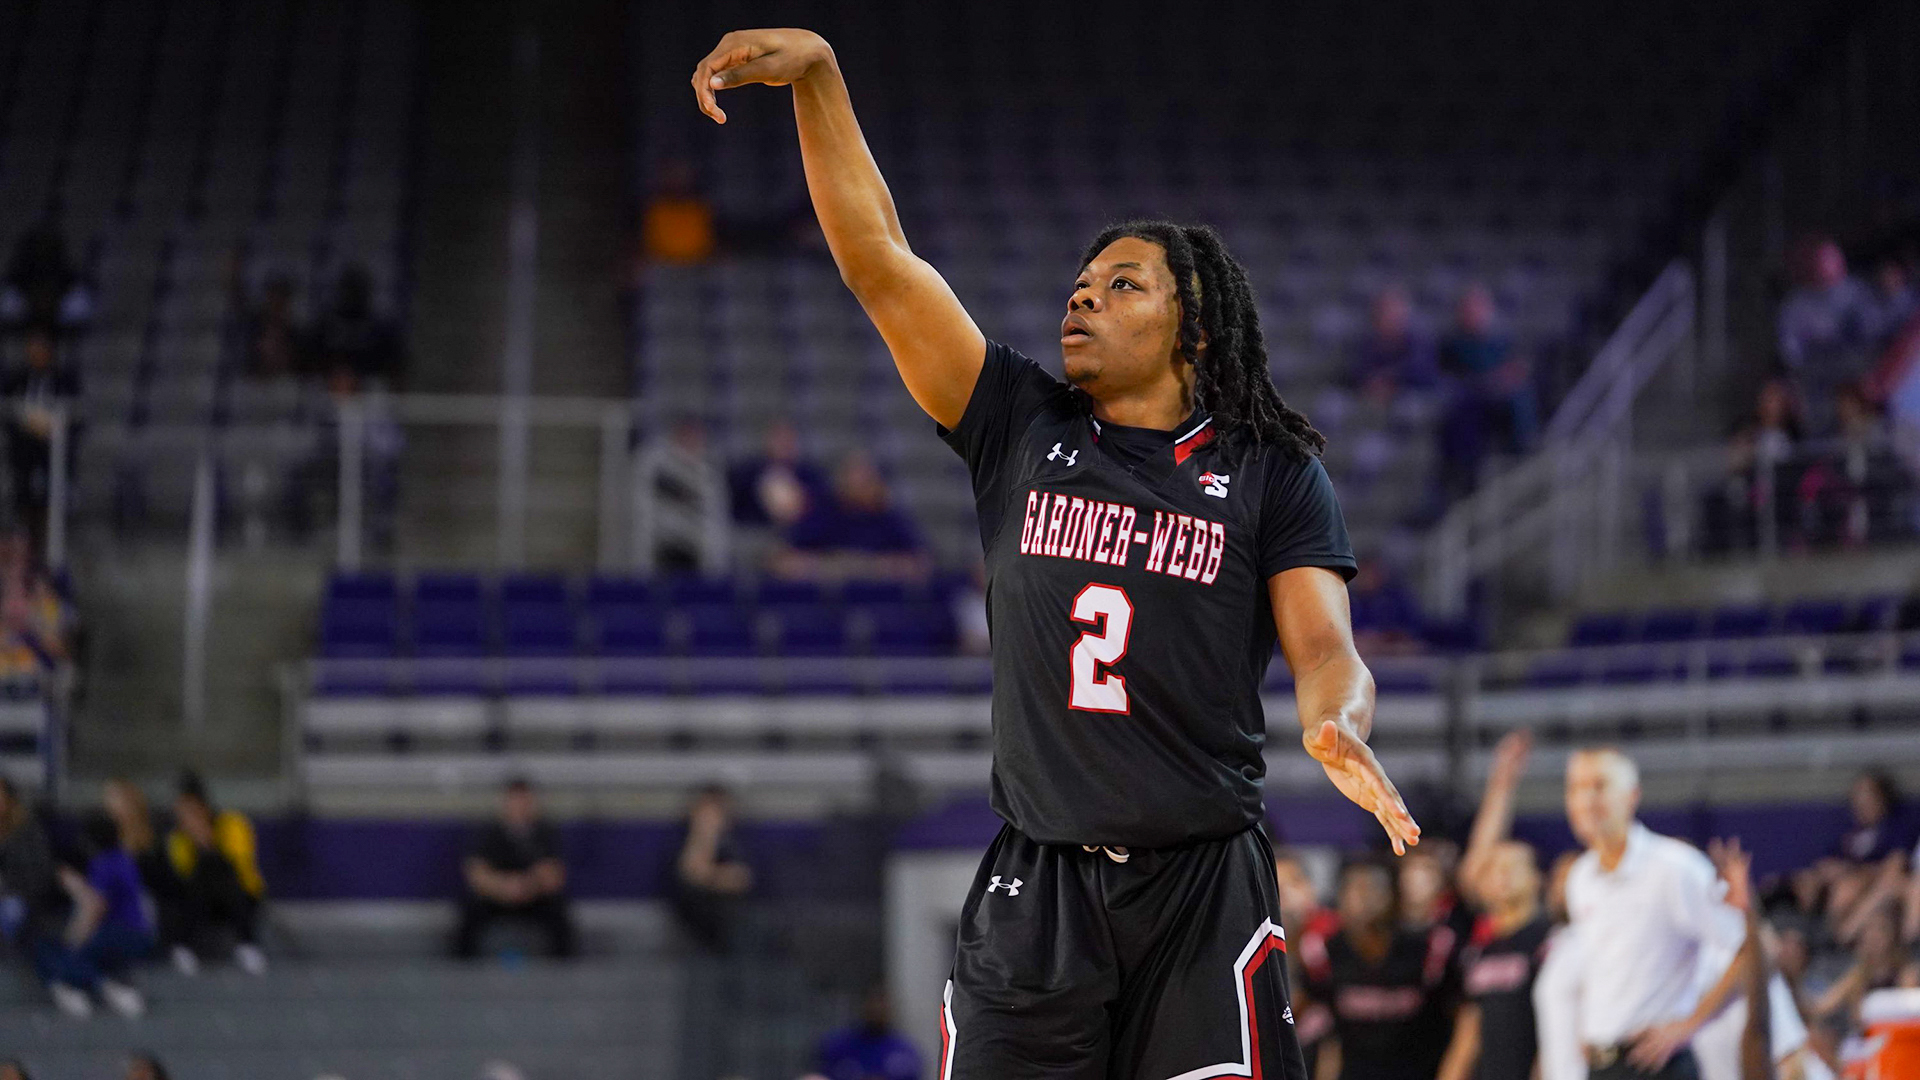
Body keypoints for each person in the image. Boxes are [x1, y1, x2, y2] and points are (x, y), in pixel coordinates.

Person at [693, 28, 1419, 1079]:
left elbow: (1324, 650)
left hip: (1200, 888)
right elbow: (879, 262)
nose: (1083, 295)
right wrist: (820, 75)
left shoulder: (1271, 470)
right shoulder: (1017, 424)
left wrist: (1337, 724)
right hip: (1039, 886)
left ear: (1196, 331)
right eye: (1081, 282)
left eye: (1123, 285)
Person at [1557, 748, 1752, 1080]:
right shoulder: (1580, 877)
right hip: (1601, 1066)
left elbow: (1748, 951)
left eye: (1600, 786)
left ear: (1632, 796)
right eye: (1575, 788)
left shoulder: (1675, 867)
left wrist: (1688, 1025)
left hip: (1657, 1065)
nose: (1586, 800)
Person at [1440, 731, 1553, 1080]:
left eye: (1511, 868)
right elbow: (1469, 1032)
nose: (1498, 876)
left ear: (1538, 879)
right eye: (1494, 870)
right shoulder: (1481, 946)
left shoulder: (1550, 938)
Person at [1299, 859, 1459, 1080]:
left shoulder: (1429, 949)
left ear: (1394, 896)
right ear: (1341, 898)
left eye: (1376, 888)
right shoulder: (1324, 954)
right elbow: (1326, 1035)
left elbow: (1458, 1019)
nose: (1366, 899)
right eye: (1357, 889)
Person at [0, 778, 143, 1017]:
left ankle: (73, 984)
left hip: (29, 905)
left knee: (34, 939)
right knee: (34, 941)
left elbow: (38, 875)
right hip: (19, 912)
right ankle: (87, 984)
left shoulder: (26, 830)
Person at [452, 778, 576, 960]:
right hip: (495, 899)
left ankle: (563, 973)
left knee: (559, 914)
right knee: (469, 913)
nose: (519, 806)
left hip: (534, 898)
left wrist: (525, 887)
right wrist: (504, 888)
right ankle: (462, 972)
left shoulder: (546, 832)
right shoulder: (487, 832)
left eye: (524, 801)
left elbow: (553, 876)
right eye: (514, 800)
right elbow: (476, 874)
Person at [772, 451, 929, 582]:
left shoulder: (888, 517)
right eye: (852, 477)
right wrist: (828, 566)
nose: (858, 484)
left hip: (882, 601)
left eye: (865, 479)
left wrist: (875, 566)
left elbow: (921, 562)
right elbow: (783, 560)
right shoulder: (824, 513)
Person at [167, 773, 267, 974]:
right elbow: (183, 874)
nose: (188, 815)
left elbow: (240, 865)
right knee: (194, 886)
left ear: (204, 806)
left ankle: (247, 945)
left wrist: (207, 840)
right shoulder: (178, 837)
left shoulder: (232, 823)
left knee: (224, 879)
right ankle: (183, 947)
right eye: (183, 810)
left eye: (193, 809)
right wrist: (194, 841)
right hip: (201, 898)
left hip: (239, 891)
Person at [1777, 238, 1877, 437]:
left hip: (1849, 362)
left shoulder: (1856, 293)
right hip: (1815, 368)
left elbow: (1870, 330)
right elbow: (1790, 347)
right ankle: (1818, 445)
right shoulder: (1797, 303)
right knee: (1812, 405)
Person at [2, 327, 81, 526]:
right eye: (33, 348)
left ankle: (53, 529)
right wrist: (29, 423)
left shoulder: (65, 379)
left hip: (54, 446)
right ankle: (24, 529)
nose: (36, 353)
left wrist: (51, 426)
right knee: (22, 483)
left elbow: (78, 412)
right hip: (24, 445)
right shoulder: (16, 378)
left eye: (41, 348)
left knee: (53, 485)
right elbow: (7, 410)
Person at [309, 264, 405, 387]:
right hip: (328, 386)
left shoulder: (379, 329)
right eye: (349, 289)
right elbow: (311, 359)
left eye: (357, 290)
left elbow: (395, 364)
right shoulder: (326, 325)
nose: (352, 296)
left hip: (369, 389)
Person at [1350, 285, 1439, 409]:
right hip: (1373, 396)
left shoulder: (1419, 341)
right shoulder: (1367, 343)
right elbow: (1357, 373)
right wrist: (1374, 383)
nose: (1388, 316)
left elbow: (1422, 373)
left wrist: (1391, 381)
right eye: (1383, 311)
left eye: (1393, 311)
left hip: (1411, 397)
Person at [727, 417, 826, 528]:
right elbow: (736, 507)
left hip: (801, 535)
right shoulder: (747, 473)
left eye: (787, 440)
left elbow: (819, 507)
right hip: (756, 531)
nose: (783, 445)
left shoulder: (810, 474)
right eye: (778, 439)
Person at [814, 985, 923, 1080]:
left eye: (883, 1006)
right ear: (864, 1006)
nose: (878, 1010)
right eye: (874, 1004)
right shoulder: (838, 1047)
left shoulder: (905, 1052)